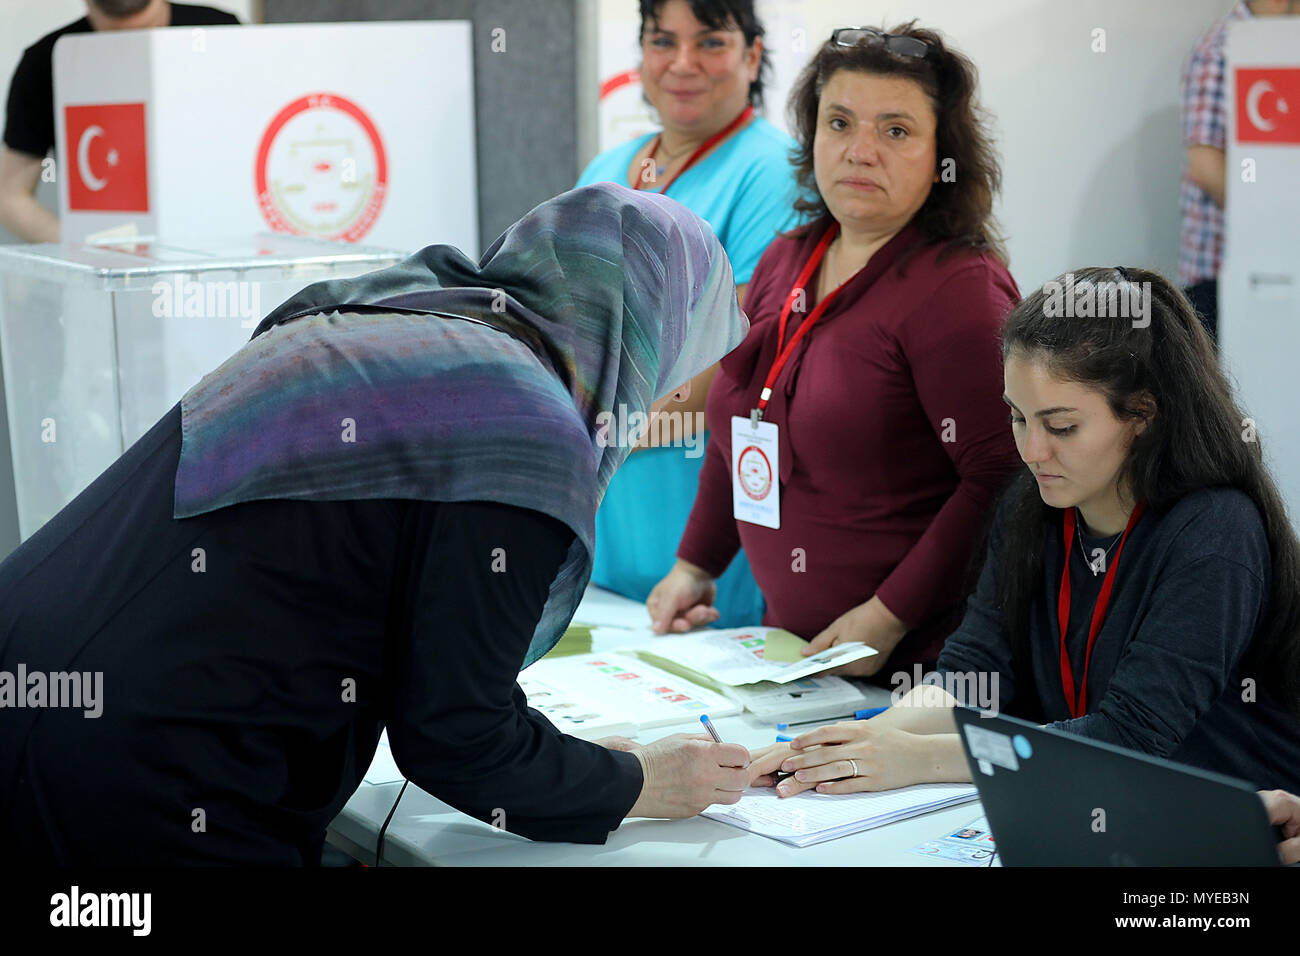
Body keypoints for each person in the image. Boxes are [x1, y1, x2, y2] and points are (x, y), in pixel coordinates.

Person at [0, 183, 752, 865]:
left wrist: (574, 764)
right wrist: (636, 781)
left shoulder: (387, 315)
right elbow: (458, 737)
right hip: (147, 767)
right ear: (646, 331)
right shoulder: (521, 427)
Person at [750, 267, 1300, 807]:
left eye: (1061, 427)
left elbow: (1129, 741)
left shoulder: (1216, 532)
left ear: (1143, 415)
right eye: (1017, 418)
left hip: (1221, 834)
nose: (1032, 451)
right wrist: (871, 739)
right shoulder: (1033, 503)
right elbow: (972, 673)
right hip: (1093, 808)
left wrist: (916, 757)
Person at [648, 24, 1022, 682]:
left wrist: (888, 615)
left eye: (896, 130)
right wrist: (695, 564)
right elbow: (739, 426)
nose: (860, 152)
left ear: (944, 155)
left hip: (919, 669)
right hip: (795, 661)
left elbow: (1001, 479)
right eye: (840, 122)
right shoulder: (788, 256)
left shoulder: (958, 288)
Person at [575, 0, 802, 626]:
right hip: (609, 517)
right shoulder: (607, 170)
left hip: (703, 515)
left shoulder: (773, 173)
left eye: (709, 42)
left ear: (752, 55)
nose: (682, 64)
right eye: (662, 41)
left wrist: (583, 435)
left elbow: (733, 364)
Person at [0, 0, 239, 242]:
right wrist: (84, 253)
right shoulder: (45, 60)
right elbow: (8, 195)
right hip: (114, 270)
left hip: (223, 259)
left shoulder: (224, 32)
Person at [1179, 0, 1300, 341]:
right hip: (1220, 273)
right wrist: (1276, 227)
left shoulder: (1283, 41)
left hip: (1279, 264)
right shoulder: (1222, 47)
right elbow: (1205, 164)